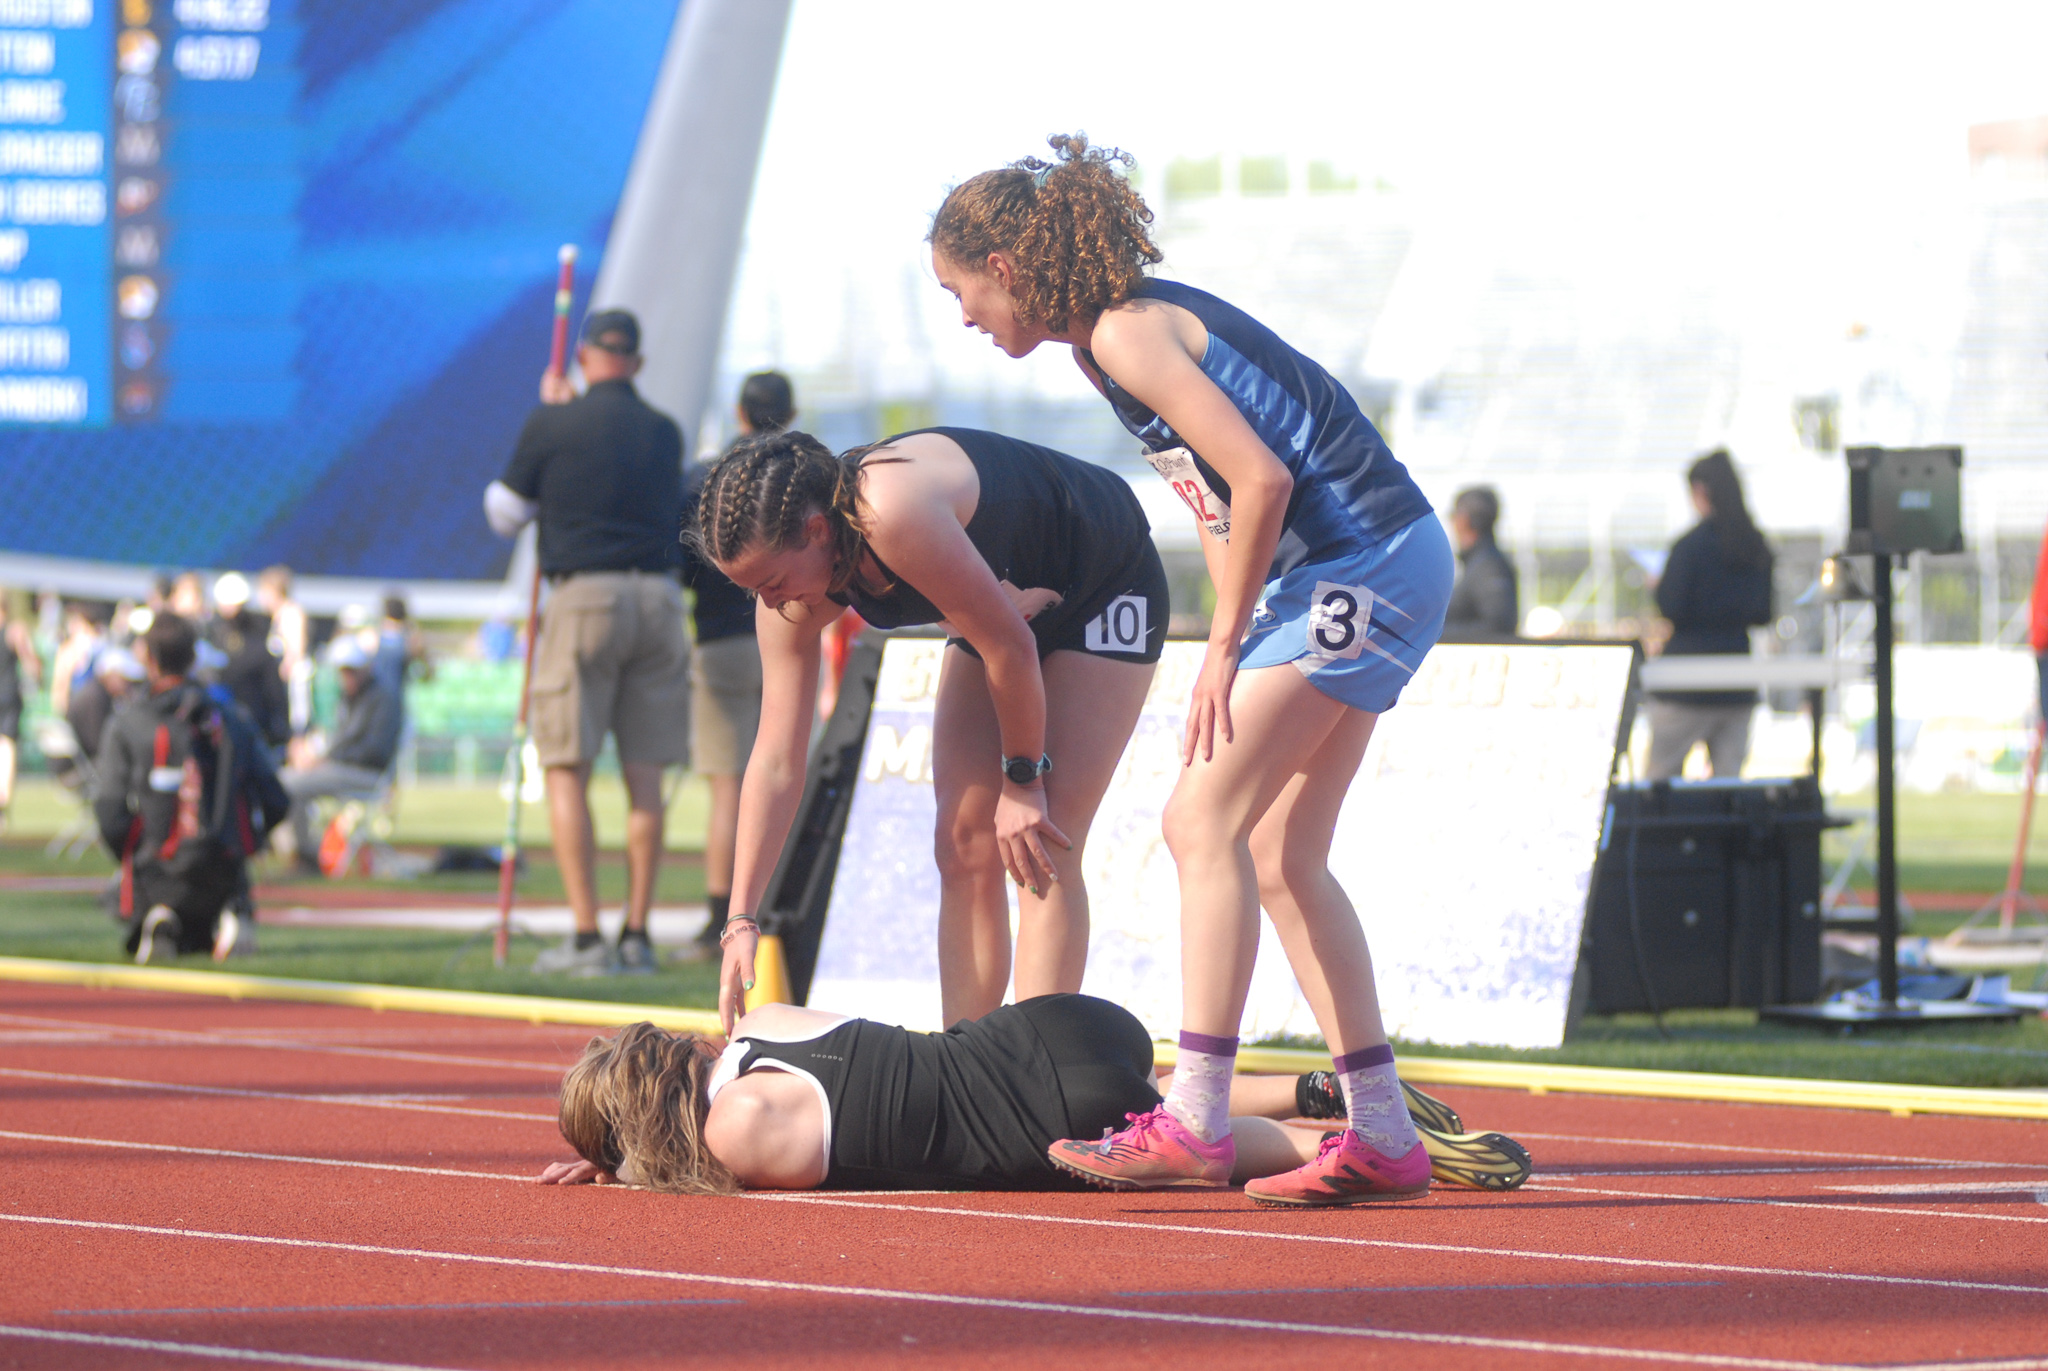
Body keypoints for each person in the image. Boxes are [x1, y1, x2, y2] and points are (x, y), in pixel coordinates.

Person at [922, 134, 1453, 1207]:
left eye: (961, 290)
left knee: (1197, 824)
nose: (964, 317)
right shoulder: (1100, 344)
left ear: (1009, 269)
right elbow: (1213, 501)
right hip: (1359, 568)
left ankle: (1199, 1119)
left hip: (1362, 561)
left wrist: (1222, 646)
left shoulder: (1125, 330)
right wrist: (1238, 634)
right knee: (1275, 849)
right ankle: (1384, 1137)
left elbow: (1260, 480)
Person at [701, 425, 1168, 1026]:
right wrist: (741, 916)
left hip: (1105, 576)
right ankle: (971, 1065)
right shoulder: (791, 593)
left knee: (1040, 841)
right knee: (961, 841)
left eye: (770, 583)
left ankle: (1040, 1070)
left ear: (817, 530)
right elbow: (775, 758)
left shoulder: (888, 511)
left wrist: (1023, 781)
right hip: (1007, 611)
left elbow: (1011, 648)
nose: (769, 603)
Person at [536, 996, 1525, 1197]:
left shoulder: (742, 1131)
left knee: (1202, 1158)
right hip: (1062, 1024)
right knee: (1157, 1102)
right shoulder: (765, 1021)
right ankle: (1346, 1099)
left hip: (1049, 1121)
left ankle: (1370, 1143)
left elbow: (715, 1181)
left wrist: (623, 1173)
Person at [485, 308, 691, 977]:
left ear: (582, 356)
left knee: (567, 766)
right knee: (646, 776)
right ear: (636, 360)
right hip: (658, 599)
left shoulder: (554, 421)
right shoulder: (665, 431)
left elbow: (505, 512)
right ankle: (636, 932)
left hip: (584, 598)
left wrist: (551, 421)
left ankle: (585, 935)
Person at [94, 613, 288, 963]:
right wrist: (249, 842)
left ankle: (161, 913)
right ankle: (234, 910)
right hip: (224, 869)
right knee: (220, 861)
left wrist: (132, 851)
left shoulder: (127, 722)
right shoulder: (234, 719)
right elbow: (276, 799)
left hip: (155, 865)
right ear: (194, 657)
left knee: (139, 883)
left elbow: (109, 811)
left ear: (147, 657)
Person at [679, 372, 791, 954]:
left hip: (724, 639)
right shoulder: (801, 475)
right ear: (789, 413)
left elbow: (680, 558)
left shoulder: (709, 478)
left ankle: (721, 912)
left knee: (732, 784)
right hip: (792, 630)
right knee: (783, 771)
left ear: (739, 413)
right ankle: (774, 910)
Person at [1645, 449, 1774, 781]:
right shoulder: (1756, 545)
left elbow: (1672, 607)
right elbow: (1763, 612)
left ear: (1701, 491)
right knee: (1728, 786)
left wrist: (1659, 586)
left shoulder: (1689, 547)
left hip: (1685, 682)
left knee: (1659, 784)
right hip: (1735, 678)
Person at [278, 636, 403, 868]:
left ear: (365, 668)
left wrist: (326, 760)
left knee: (290, 784)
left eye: (351, 670)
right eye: (343, 671)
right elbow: (341, 741)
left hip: (367, 774)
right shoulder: (351, 698)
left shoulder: (383, 699)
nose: (346, 676)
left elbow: (374, 751)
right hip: (346, 768)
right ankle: (300, 849)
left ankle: (306, 854)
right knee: (288, 779)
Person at [207, 573, 291, 755]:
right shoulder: (210, 633)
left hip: (253, 717)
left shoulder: (256, 634)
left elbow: (272, 688)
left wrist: (281, 727)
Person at [1441, 486, 1519, 641]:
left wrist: (1436, 634)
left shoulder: (1488, 567)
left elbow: (1498, 626)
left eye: (1453, 515)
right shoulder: (1481, 563)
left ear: (1463, 520)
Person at [0, 592, 44, 823]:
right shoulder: (14, 630)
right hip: (8, 695)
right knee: (6, 748)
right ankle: (3, 800)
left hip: (7, 695)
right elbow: (30, 660)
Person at [255, 566, 312, 738]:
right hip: (281, 685)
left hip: (293, 684)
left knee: (296, 728)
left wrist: (284, 670)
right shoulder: (277, 616)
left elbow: (296, 650)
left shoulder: (291, 613)